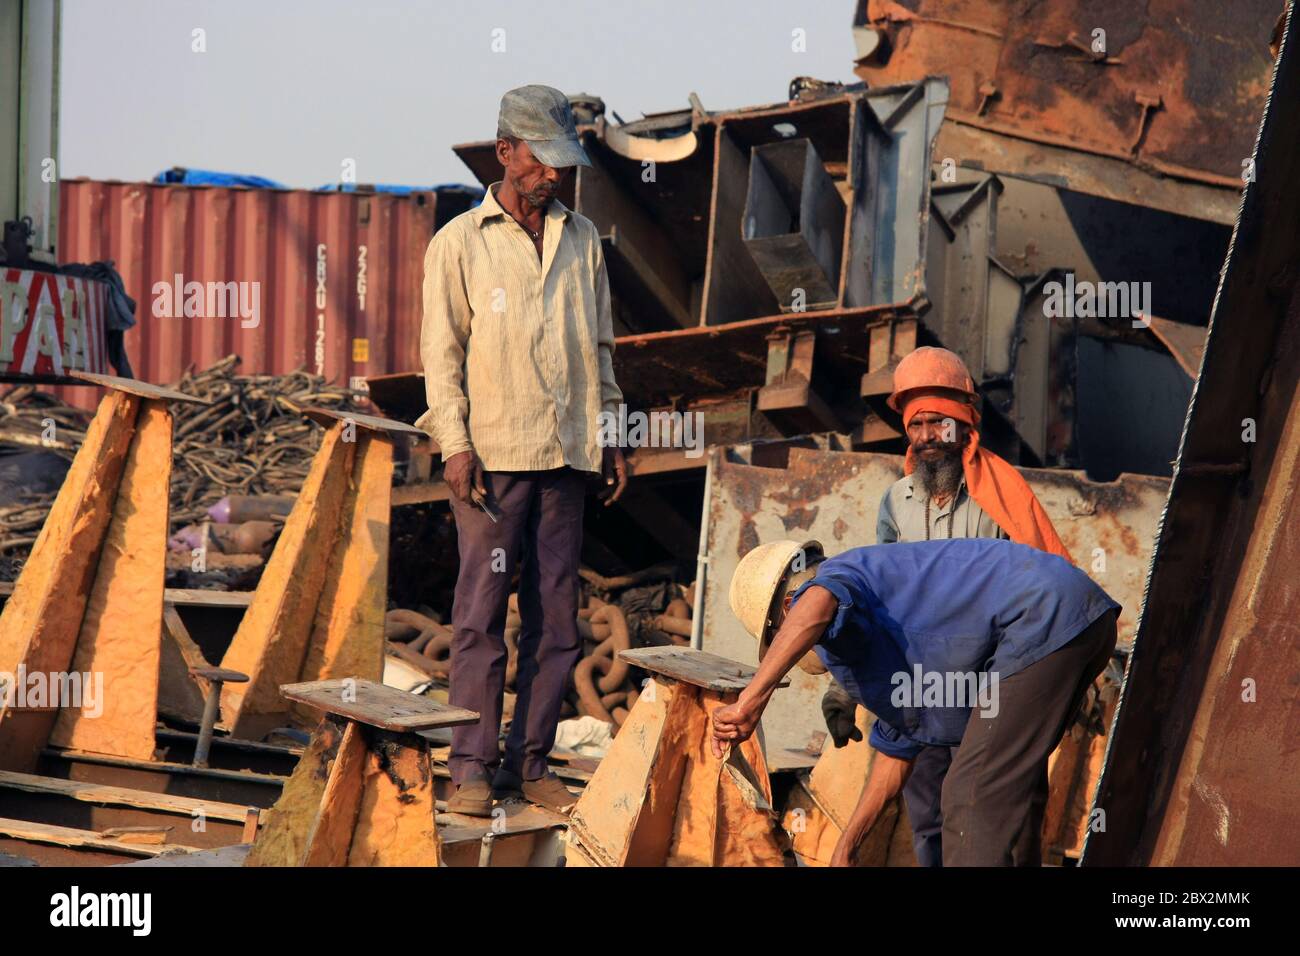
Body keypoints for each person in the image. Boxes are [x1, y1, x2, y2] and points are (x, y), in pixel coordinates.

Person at [417, 84, 627, 816]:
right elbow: (440, 358)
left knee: (557, 621)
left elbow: (600, 350)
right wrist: (455, 445)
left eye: (563, 165)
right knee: (479, 618)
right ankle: (470, 771)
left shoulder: (583, 242)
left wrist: (614, 429)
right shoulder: (458, 244)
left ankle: (528, 765)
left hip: (566, 458)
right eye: (542, 162)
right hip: (492, 461)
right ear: (505, 153)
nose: (554, 177)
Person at [715, 537, 1119, 866]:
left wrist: (751, 700)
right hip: (1079, 619)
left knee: (969, 793)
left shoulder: (842, 577)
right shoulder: (865, 644)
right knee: (1009, 785)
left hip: (1044, 619)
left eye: (778, 636)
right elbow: (898, 749)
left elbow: (818, 604)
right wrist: (849, 845)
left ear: (790, 606)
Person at [822, 345, 1075, 865]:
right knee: (930, 817)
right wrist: (842, 689)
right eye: (916, 426)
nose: (926, 437)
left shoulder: (1002, 492)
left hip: (994, 685)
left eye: (939, 423)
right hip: (925, 686)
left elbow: (1043, 586)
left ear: (963, 424)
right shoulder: (896, 503)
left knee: (1007, 812)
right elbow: (874, 598)